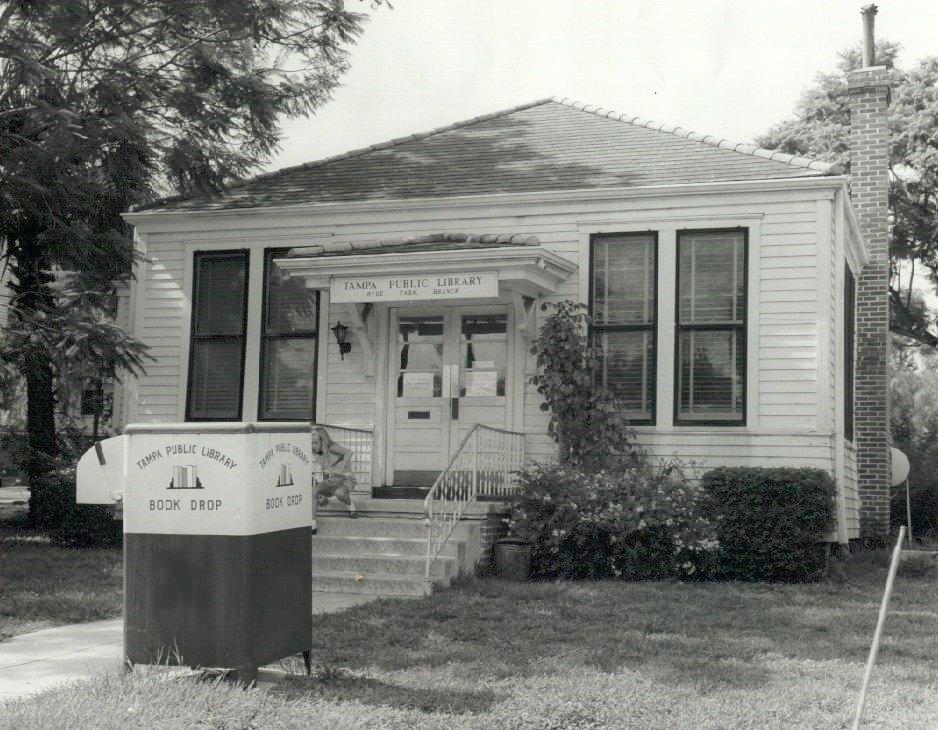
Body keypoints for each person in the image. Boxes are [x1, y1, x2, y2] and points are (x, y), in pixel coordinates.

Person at [310, 426, 357, 534]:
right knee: (313, 491)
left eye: (315, 443)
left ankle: (352, 507)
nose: (313, 446)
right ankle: (313, 525)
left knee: (339, 493)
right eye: (311, 443)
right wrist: (325, 495)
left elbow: (349, 453)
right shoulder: (319, 456)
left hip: (347, 479)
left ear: (323, 440)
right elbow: (326, 474)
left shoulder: (332, 447)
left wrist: (340, 468)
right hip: (333, 481)